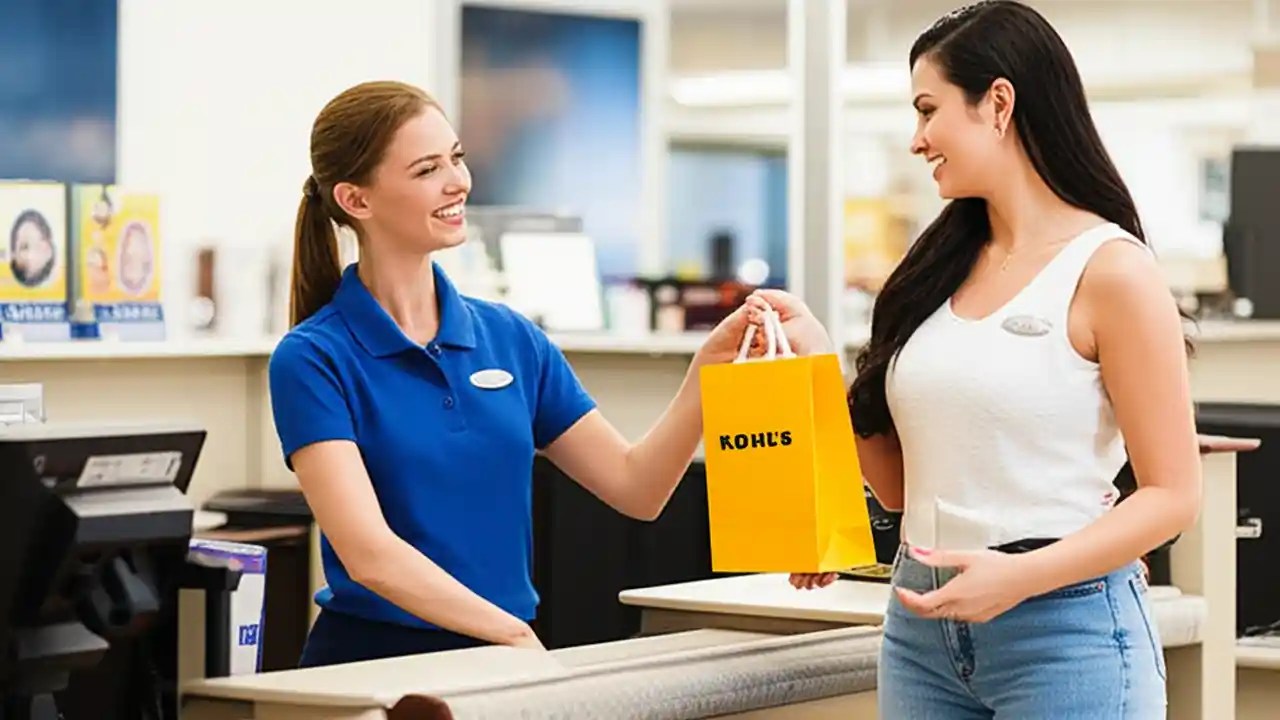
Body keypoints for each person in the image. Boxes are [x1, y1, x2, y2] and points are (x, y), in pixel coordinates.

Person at [761, 2, 1200, 717]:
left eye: (928, 110)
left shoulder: (1113, 271)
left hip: (1065, 632)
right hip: (920, 629)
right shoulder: (933, 272)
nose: (916, 139)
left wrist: (1021, 579)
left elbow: (1173, 495)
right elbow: (899, 488)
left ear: (998, 102)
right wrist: (819, 365)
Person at [267, 80, 763, 668]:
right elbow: (369, 554)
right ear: (356, 200)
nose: (458, 183)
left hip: (501, 656)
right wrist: (511, 637)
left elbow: (638, 489)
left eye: (457, 158)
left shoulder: (510, 338)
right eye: (427, 169)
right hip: (377, 665)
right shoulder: (313, 358)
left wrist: (707, 374)